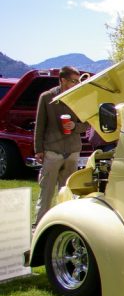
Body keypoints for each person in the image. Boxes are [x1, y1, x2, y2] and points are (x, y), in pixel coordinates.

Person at [33, 66, 88, 226]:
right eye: (74, 81)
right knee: (46, 192)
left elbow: (86, 124)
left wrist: (75, 126)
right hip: (52, 151)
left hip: (72, 151)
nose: (77, 83)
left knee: (67, 192)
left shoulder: (79, 97)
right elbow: (40, 125)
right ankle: (39, 227)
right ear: (63, 80)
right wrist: (38, 150)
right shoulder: (47, 97)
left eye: (78, 81)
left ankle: (64, 226)